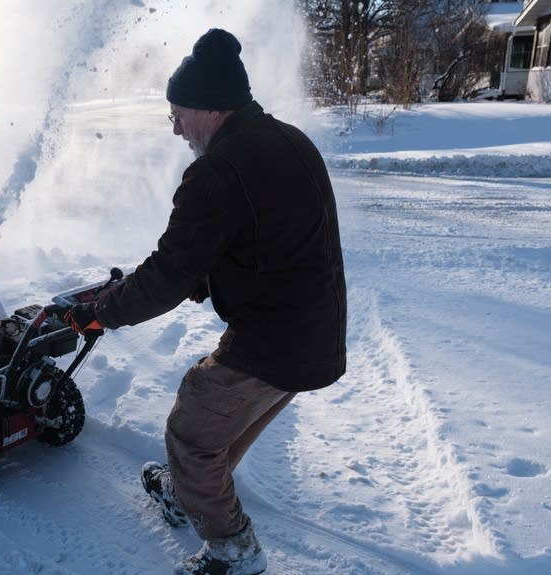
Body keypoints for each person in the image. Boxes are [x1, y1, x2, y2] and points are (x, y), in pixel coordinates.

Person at [64, 28, 347, 575]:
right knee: (217, 429)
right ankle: (184, 492)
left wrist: (102, 311)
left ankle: (233, 551)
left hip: (273, 340)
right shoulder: (289, 140)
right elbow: (266, 238)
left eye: (178, 114)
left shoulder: (216, 171)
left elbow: (168, 273)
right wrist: (206, 275)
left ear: (212, 110)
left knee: (193, 432)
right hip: (316, 333)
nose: (175, 129)